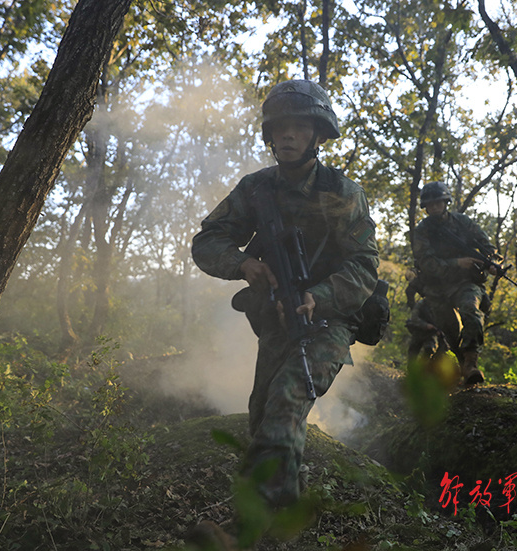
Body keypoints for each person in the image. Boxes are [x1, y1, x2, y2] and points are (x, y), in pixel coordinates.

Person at [191, 79, 379, 509]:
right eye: (280, 128)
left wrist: (321, 295)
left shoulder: (343, 192)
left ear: (317, 134)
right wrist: (243, 264)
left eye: (298, 127)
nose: (288, 135)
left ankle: (256, 523)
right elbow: (207, 240)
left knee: (286, 402)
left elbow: (365, 265)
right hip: (278, 316)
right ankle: (282, 506)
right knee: (262, 417)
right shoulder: (256, 189)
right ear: (269, 136)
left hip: (331, 318)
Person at [411, 180, 498, 386]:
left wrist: (492, 262)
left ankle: (471, 364)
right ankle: (463, 365)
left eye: (438, 202)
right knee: (450, 331)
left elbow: (488, 247)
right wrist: (458, 263)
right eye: (430, 204)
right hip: (436, 288)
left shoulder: (462, 223)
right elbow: (427, 263)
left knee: (471, 312)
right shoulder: (422, 231)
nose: (434, 207)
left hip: (464, 284)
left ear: (446, 201)